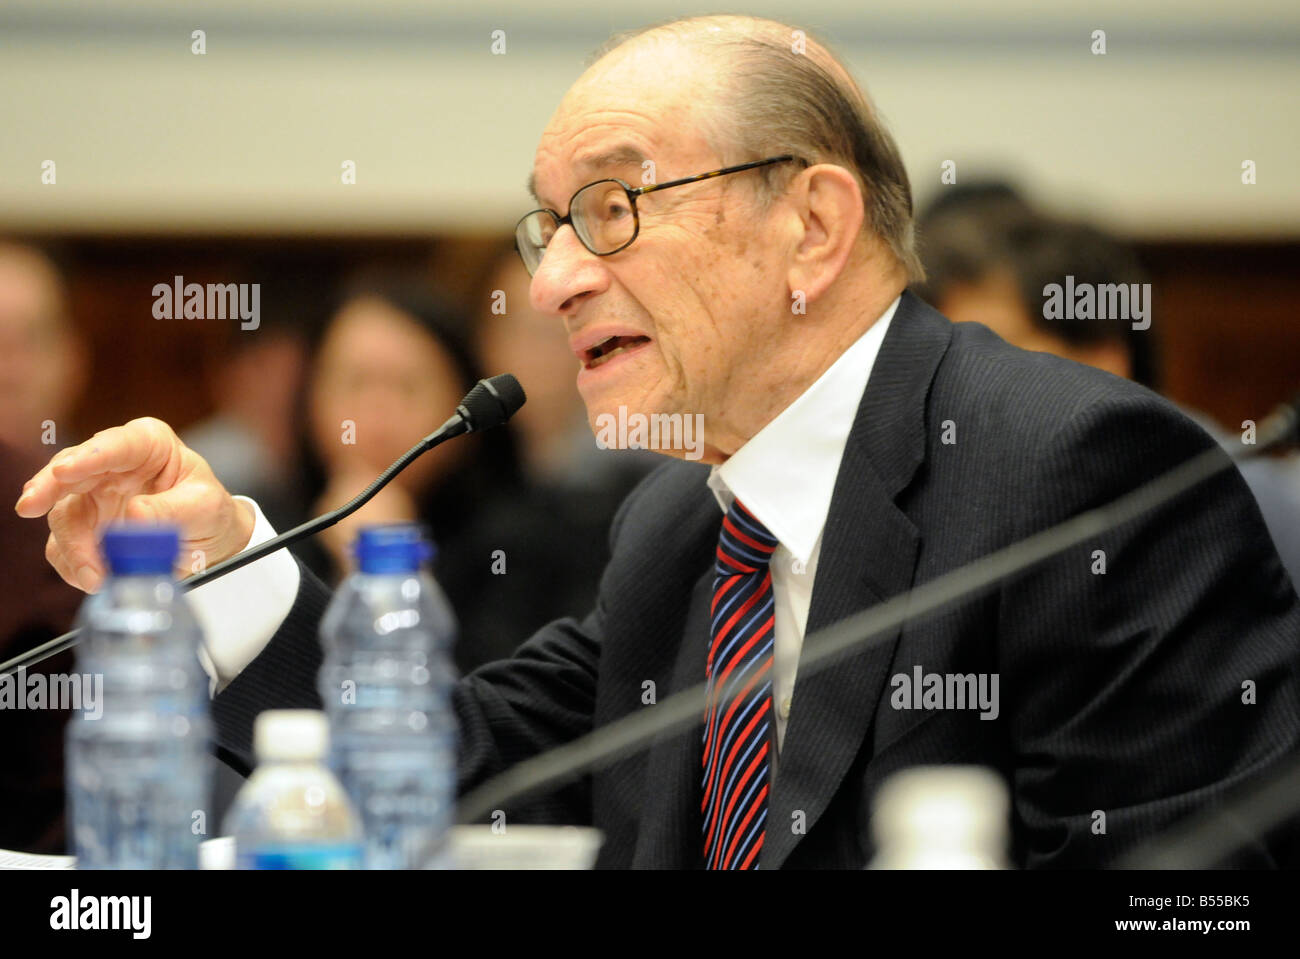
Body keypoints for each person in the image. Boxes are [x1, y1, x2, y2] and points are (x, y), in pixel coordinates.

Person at [15, 15, 1300, 869]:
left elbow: (1181, 894)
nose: (558, 276)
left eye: (612, 208)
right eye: (546, 227)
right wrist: (230, 553)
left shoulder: (1081, 473)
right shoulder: (679, 528)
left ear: (811, 225)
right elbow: (437, 774)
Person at [916, 208, 1300, 587]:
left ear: (1102, 360)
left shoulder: (1225, 495)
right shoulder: (945, 490)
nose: (954, 388)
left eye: (988, 355)